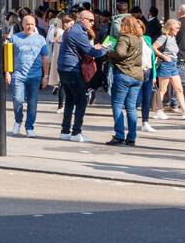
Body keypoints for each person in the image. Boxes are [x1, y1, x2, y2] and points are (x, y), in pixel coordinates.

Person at [56, 8, 107, 142]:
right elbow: (91, 52)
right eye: (90, 20)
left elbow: (81, 49)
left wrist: (93, 49)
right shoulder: (78, 32)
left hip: (64, 68)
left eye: (93, 21)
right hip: (72, 69)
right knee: (81, 100)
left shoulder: (72, 30)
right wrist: (106, 48)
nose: (92, 23)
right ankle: (76, 133)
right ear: (81, 19)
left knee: (70, 100)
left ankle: (65, 131)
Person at [7, 14, 50, 137]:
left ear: (35, 25)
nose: (29, 26)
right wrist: (7, 72)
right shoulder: (15, 38)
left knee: (32, 102)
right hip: (18, 74)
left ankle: (29, 126)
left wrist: (45, 76)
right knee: (17, 99)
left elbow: (45, 58)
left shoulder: (40, 39)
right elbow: (8, 56)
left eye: (32, 24)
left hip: (35, 76)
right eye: (27, 24)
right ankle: (18, 120)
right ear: (22, 25)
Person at [105, 16, 146, 146]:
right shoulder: (138, 39)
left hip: (124, 73)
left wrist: (109, 53)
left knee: (117, 105)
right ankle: (132, 137)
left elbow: (120, 53)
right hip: (137, 75)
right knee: (131, 107)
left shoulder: (125, 38)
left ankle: (119, 135)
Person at [45, 12, 68, 114]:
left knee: (61, 82)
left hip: (55, 56)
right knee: (64, 83)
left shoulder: (54, 30)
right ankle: (62, 105)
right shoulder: (62, 32)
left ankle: (61, 105)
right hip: (63, 58)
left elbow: (50, 39)